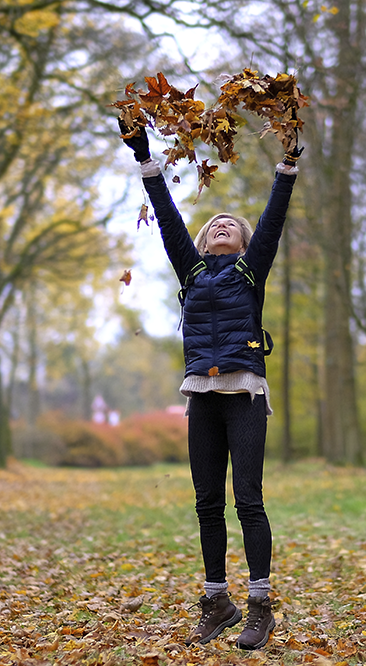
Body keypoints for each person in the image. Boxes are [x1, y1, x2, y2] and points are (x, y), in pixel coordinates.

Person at [118, 117, 301, 650]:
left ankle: (260, 606)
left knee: (248, 499)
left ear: (243, 242)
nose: (222, 223)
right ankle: (216, 600)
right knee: (206, 503)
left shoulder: (250, 271)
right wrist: (144, 157)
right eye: (214, 223)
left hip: (244, 394)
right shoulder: (193, 272)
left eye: (231, 223)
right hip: (202, 396)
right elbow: (171, 221)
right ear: (204, 241)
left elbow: (273, 220)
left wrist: (287, 164)